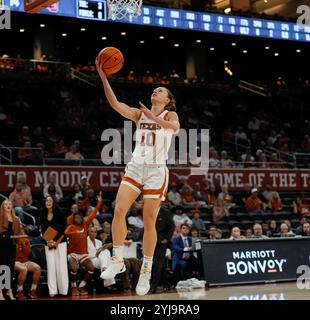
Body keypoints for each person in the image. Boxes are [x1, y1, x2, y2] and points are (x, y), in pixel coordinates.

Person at [96, 58, 180, 296]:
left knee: (149, 222)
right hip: (136, 166)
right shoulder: (138, 114)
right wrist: (104, 78)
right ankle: (118, 259)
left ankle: (146, 269)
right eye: (155, 89)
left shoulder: (171, 115)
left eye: (161, 90)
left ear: (167, 100)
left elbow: (174, 129)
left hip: (156, 170)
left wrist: (151, 116)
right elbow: (114, 104)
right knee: (119, 210)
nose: (156, 91)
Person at [65, 193, 102, 296]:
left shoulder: (85, 225)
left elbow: (93, 214)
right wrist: (75, 233)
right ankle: (73, 286)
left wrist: (99, 203)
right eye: (76, 217)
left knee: (91, 268)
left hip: (83, 253)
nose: (78, 218)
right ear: (74, 218)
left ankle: (81, 286)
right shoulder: (71, 226)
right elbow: (65, 233)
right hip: (72, 253)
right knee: (74, 267)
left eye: (80, 217)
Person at [40, 196, 68, 297]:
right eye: (47, 200)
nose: (48, 202)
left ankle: (63, 290)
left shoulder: (60, 213)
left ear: (53, 202)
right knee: (51, 266)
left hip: (60, 242)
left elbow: (63, 229)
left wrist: (56, 242)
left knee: (61, 266)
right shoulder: (42, 214)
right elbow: (43, 230)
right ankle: (52, 291)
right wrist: (47, 241)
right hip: (49, 242)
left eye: (50, 200)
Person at [0, 200, 21, 300]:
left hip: (11, 245)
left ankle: (9, 290)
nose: (8, 206)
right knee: (2, 268)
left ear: (12, 206)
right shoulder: (0, 217)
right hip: (1, 244)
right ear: (3, 206)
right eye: (6, 204)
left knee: (10, 268)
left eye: (9, 204)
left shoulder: (16, 219)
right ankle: (0, 292)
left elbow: (18, 233)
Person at [150, 206, 175, 293]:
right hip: (150, 241)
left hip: (161, 242)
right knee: (159, 264)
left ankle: (153, 286)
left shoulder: (165, 212)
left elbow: (172, 226)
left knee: (157, 264)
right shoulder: (148, 209)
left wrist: (167, 238)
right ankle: (166, 283)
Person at [15, 226, 41, 300]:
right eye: (21, 230)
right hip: (15, 261)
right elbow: (14, 252)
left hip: (25, 261)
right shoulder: (14, 238)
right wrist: (19, 242)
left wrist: (24, 244)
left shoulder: (26, 240)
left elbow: (27, 253)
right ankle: (19, 291)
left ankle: (33, 290)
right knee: (24, 269)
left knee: (37, 268)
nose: (22, 232)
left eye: (23, 231)